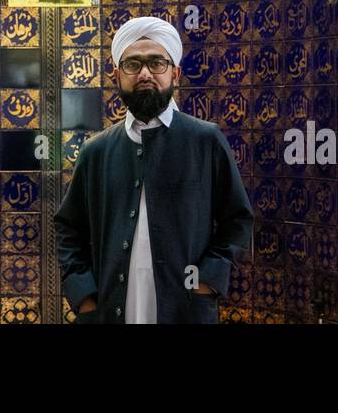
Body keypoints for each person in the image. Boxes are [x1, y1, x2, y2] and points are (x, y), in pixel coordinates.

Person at [53, 16, 254, 324]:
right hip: (110, 310)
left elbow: (237, 220)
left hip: (186, 309)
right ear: (117, 75)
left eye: (156, 63)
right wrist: (85, 298)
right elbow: (69, 227)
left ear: (175, 72)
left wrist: (207, 282)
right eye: (133, 65)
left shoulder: (205, 140)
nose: (145, 73)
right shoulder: (96, 151)